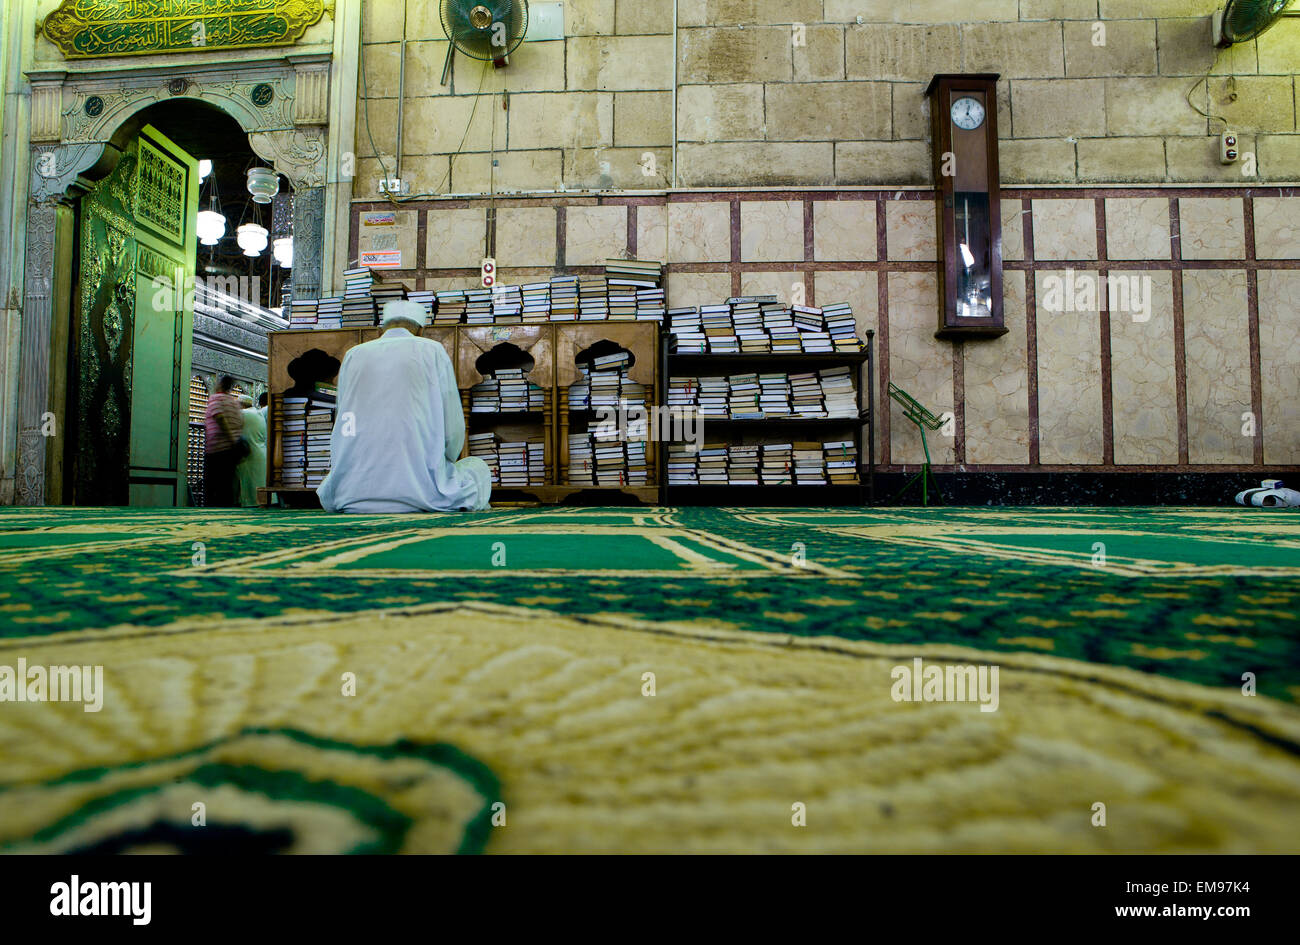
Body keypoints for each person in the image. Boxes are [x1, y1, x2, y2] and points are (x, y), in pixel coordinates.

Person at [317, 300, 491, 513]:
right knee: (478, 468)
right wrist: (441, 462)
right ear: (422, 330)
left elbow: (344, 418)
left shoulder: (354, 354)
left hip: (352, 493)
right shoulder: (432, 350)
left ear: (380, 329)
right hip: (424, 491)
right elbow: (452, 427)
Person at [203, 375, 245, 507]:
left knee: (212, 487)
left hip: (216, 450)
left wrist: (230, 438)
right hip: (231, 451)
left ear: (219, 385)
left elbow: (219, 417)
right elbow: (240, 422)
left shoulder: (215, 398)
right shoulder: (234, 403)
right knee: (226, 486)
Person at [235, 393, 267, 508]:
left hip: (249, 454)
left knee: (249, 490)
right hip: (261, 452)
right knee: (259, 484)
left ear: (241, 405)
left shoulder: (244, 414)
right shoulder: (258, 413)